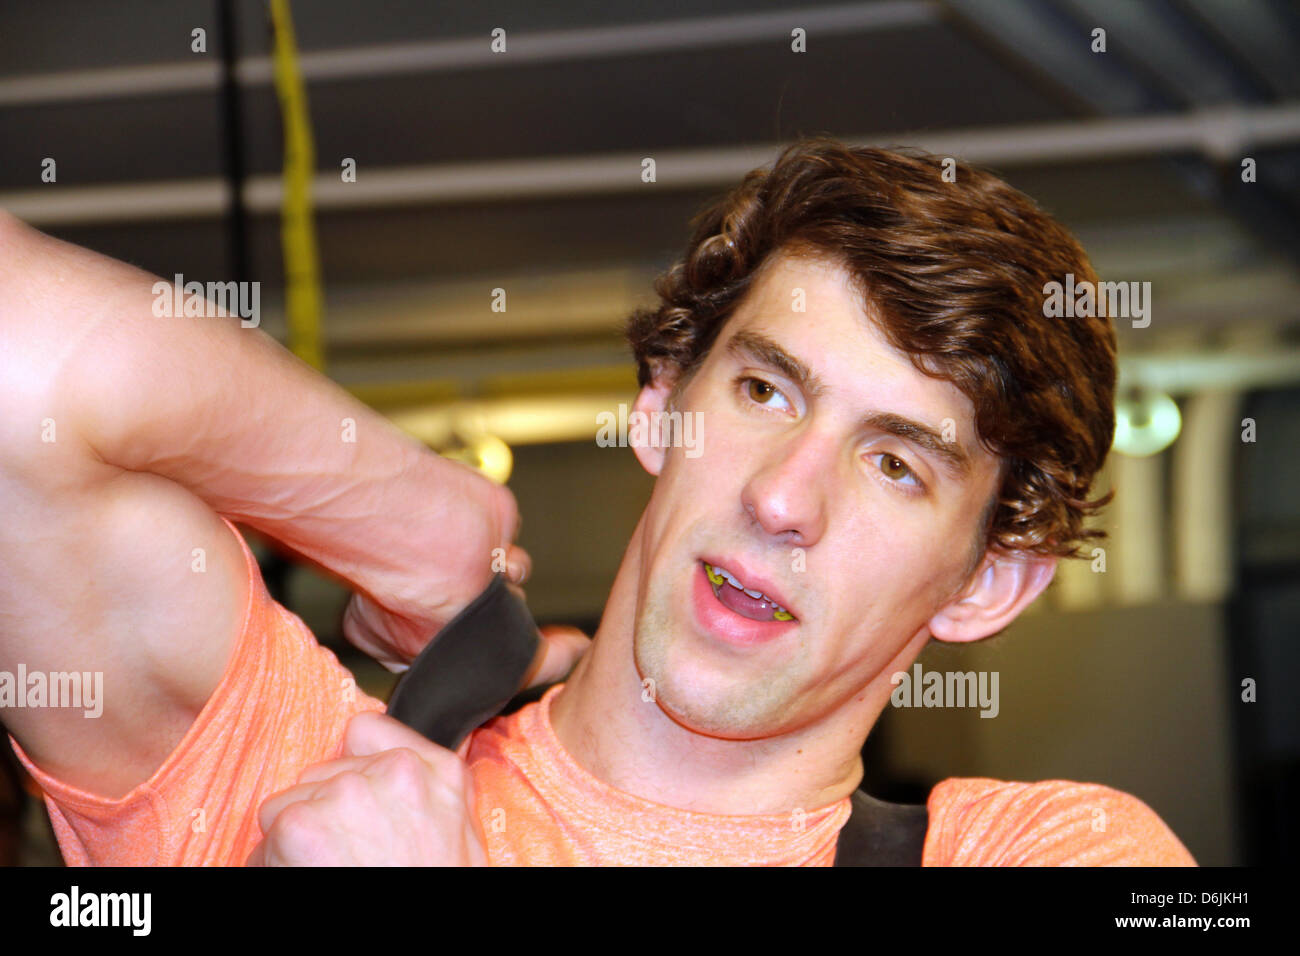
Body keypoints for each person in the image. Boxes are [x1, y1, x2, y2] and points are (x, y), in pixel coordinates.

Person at [0, 137, 1195, 866]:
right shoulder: (311, 772)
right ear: (658, 405)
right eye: (766, 389)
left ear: (986, 580)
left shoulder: (1041, 851)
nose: (784, 496)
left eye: (895, 462)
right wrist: (407, 514)